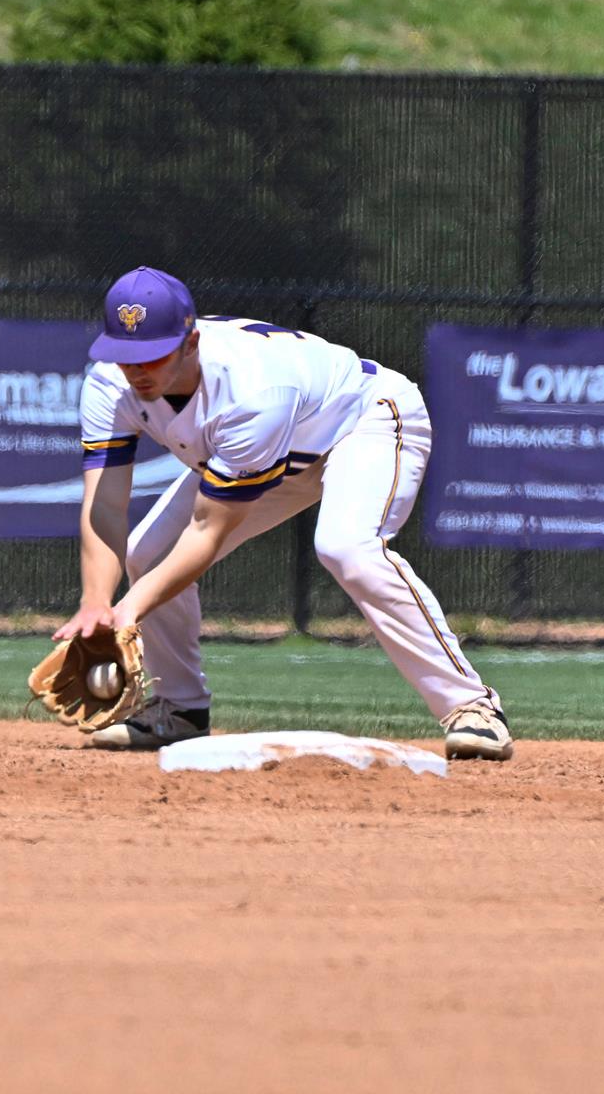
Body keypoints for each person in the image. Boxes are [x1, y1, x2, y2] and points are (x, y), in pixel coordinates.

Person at [53, 266, 514, 761]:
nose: (136, 369)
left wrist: (128, 612)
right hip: (275, 452)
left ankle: (472, 708)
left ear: (190, 341)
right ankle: (180, 712)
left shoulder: (250, 391)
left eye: (151, 354)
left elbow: (208, 531)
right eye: (125, 356)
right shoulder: (108, 384)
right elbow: (104, 502)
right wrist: (97, 602)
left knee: (347, 549)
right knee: (150, 552)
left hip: (365, 420)